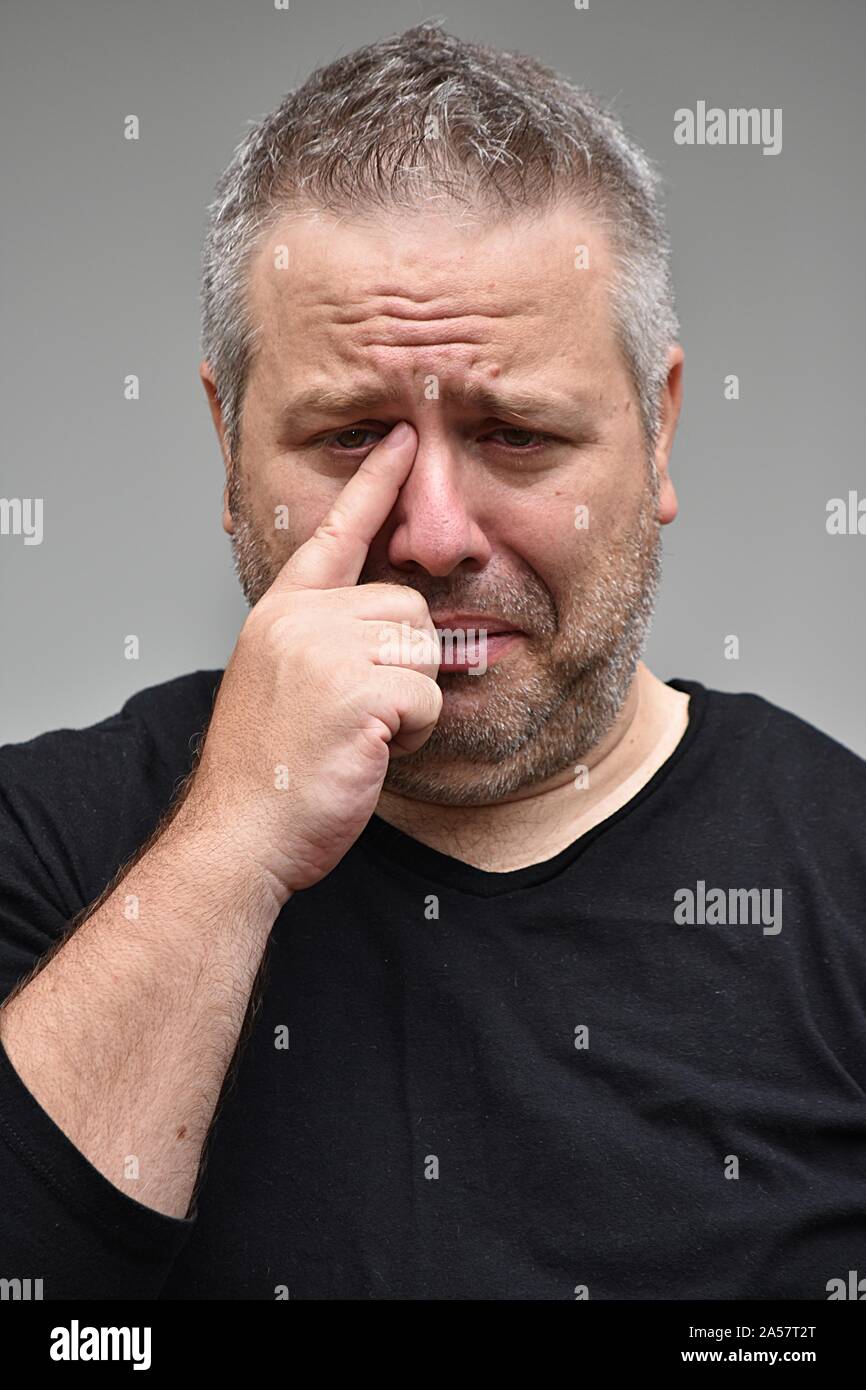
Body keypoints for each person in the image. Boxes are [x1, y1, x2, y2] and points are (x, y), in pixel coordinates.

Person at [1, 22, 864, 1301]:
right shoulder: (43, 844)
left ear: (659, 431)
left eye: (515, 433)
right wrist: (234, 841)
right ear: (227, 445)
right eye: (352, 437)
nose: (434, 535)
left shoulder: (839, 866)